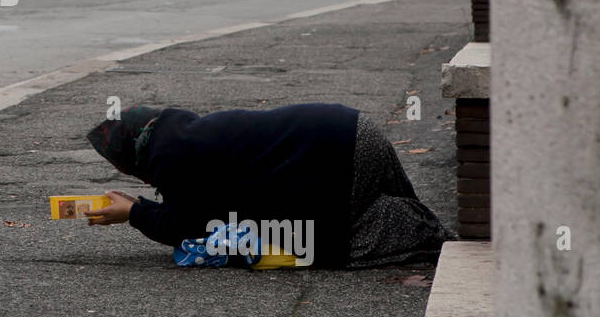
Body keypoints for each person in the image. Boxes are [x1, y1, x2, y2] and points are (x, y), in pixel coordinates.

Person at [83, 103, 451, 269]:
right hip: (351, 126)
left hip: (340, 150)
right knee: (394, 204)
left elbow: (188, 223)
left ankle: (430, 239)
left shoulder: (170, 156)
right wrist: (144, 206)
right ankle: (436, 236)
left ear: (132, 155)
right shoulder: (178, 134)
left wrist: (133, 212)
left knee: (334, 243)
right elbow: (200, 202)